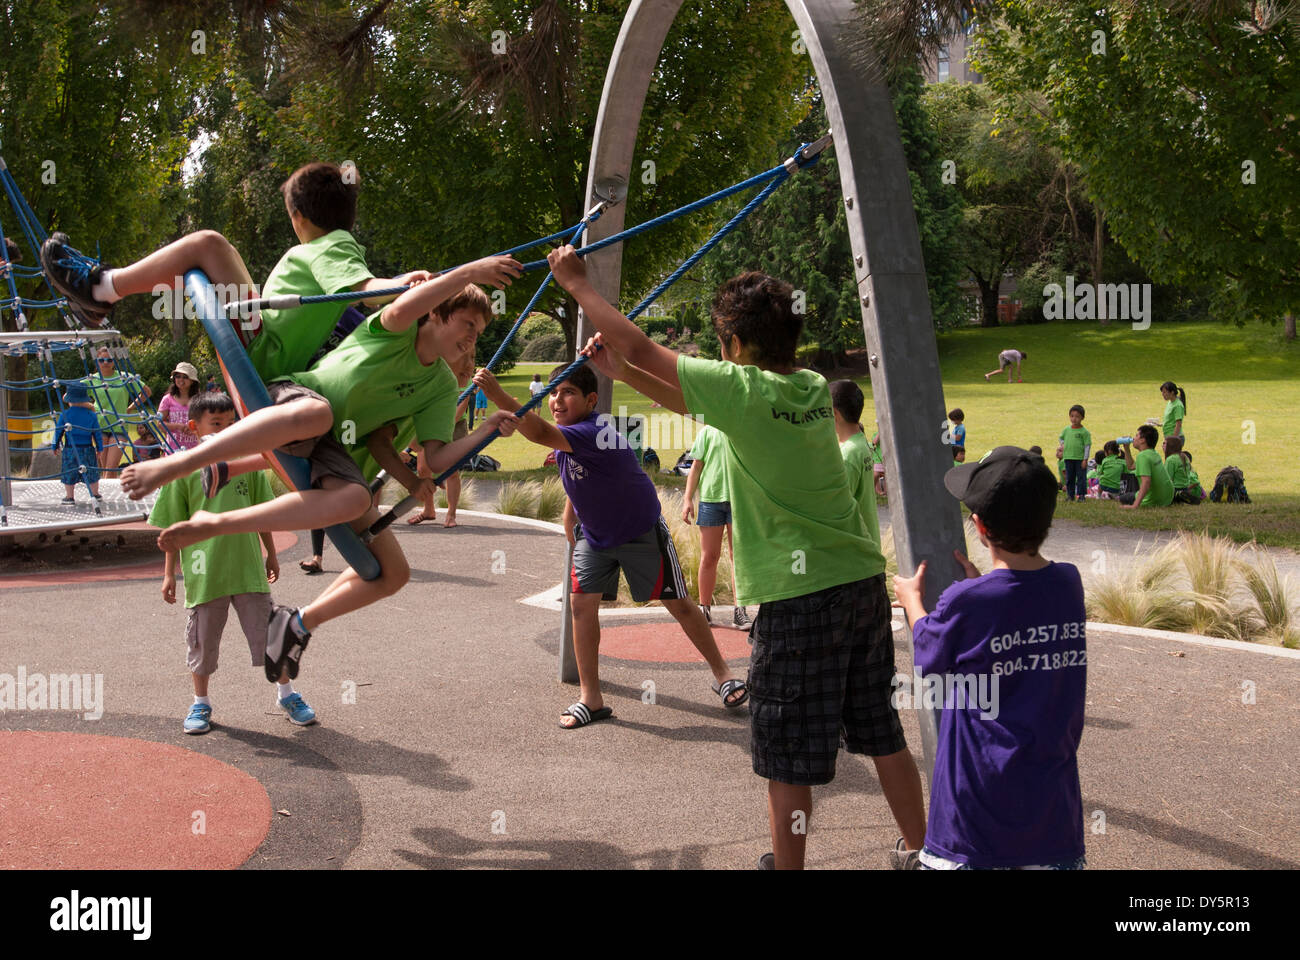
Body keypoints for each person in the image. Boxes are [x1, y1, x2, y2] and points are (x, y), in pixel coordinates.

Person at [547, 246, 925, 870]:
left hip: (797, 597)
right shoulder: (806, 387)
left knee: (785, 751)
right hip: (859, 584)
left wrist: (579, 285)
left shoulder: (742, 389)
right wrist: (617, 369)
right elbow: (674, 392)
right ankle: (924, 850)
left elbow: (645, 349)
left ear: (737, 345)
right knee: (880, 731)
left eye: (722, 340)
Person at [120, 263, 522, 679]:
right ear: (437, 312)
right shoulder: (398, 327)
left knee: (387, 558)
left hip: (329, 449)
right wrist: (472, 272)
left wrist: (489, 428)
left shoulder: (440, 385)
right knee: (321, 413)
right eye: (468, 323)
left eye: (480, 329)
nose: (474, 337)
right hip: (297, 398)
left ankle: (289, 616)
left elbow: (435, 460)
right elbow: (411, 305)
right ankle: (177, 464)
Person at [473, 361, 750, 728]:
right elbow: (581, 472)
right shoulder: (571, 433)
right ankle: (591, 698)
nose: (557, 399)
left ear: (590, 400)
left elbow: (539, 433)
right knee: (581, 608)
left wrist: (496, 394)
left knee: (680, 606)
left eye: (567, 392)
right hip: (595, 535)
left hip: (639, 532)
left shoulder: (591, 430)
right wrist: (571, 512)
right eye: (553, 392)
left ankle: (722, 674)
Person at [41, 162, 430, 380]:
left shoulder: (332, 245)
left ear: (297, 216)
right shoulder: (334, 247)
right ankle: (98, 300)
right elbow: (361, 286)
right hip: (266, 343)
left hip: (264, 350)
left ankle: (102, 288)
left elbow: (363, 290)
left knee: (208, 244)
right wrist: (400, 283)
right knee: (217, 251)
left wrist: (398, 286)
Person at [892, 446, 1086, 870]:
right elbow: (1022, 610)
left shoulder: (970, 600)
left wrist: (911, 601)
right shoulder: (1069, 584)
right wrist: (981, 593)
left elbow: (928, 656)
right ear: (1048, 522)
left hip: (973, 824)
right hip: (1051, 822)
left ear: (979, 526)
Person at [147, 390, 307, 732]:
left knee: (269, 635)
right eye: (216, 423)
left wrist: (272, 554)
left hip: (248, 569)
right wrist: (169, 575)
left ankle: (287, 693)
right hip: (206, 575)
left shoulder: (247, 465)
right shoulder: (183, 471)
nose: (226, 429)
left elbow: (262, 513)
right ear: (194, 426)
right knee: (202, 643)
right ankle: (200, 704)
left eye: (231, 423)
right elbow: (173, 529)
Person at [682, 423, 750, 628]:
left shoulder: (742, 429)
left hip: (739, 501)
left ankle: (740, 610)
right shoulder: (707, 432)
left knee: (736, 556)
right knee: (709, 556)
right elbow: (696, 467)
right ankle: (704, 609)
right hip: (711, 501)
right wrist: (687, 499)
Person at [830, 377, 889, 587]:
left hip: (853, 562)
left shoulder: (846, 456)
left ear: (835, 413)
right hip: (868, 552)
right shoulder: (861, 443)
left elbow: (835, 511)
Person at [408, 352, 475, 527]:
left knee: (450, 472)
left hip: (453, 426)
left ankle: (451, 514)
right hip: (430, 424)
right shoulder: (436, 376)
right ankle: (428, 510)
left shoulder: (464, 379)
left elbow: (459, 411)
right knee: (423, 470)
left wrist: (439, 426)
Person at [84, 345, 151, 475]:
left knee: (111, 467)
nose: (105, 363)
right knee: (106, 469)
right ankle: (108, 493)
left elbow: (146, 392)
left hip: (119, 426)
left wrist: (131, 407)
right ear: (96, 361)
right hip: (100, 425)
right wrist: (90, 406)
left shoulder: (123, 377)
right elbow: (69, 396)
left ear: (114, 362)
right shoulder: (92, 379)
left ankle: (106, 493)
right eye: (101, 360)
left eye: (109, 360)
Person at [52, 381, 103, 503]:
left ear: (69, 399)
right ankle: (95, 494)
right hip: (88, 448)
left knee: (69, 472)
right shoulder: (91, 414)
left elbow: (58, 431)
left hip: (71, 448)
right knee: (91, 471)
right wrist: (99, 447)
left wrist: (55, 445)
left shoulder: (65, 414)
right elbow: (97, 432)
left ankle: (70, 496)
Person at [1119, 425, 1173, 508]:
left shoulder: (1142, 456)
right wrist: (1126, 449)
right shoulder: (1154, 453)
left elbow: (1146, 482)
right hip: (1167, 498)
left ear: (1142, 440)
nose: (1134, 438)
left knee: (1123, 498)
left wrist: (1134, 506)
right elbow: (1131, 466)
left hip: (1154, 500)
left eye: (1136, 435)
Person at [156, 361, 203, 451]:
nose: (181, 380)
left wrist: (194, 428)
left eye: (185, 377)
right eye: (178, 376)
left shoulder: (200, 399)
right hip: (172, 449)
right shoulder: (167, 399)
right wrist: (177, 426)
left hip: (196, 449)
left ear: (192, 381)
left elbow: (207, 422)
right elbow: (159, 423)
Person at [1056, 404, 1091, 502]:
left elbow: (1087, 446)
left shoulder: (1084, 432)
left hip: (1079, 459)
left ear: (1082, 418)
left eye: (1077, 416)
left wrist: (1085, 459)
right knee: (1069, 478)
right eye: (1072, 416)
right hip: (1068, 458)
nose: (1074, 418)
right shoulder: (1066, 430)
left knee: (1081, 478)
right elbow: (1061, 437)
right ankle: (1070, 495)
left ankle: (1081, 496)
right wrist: (1063, 445)